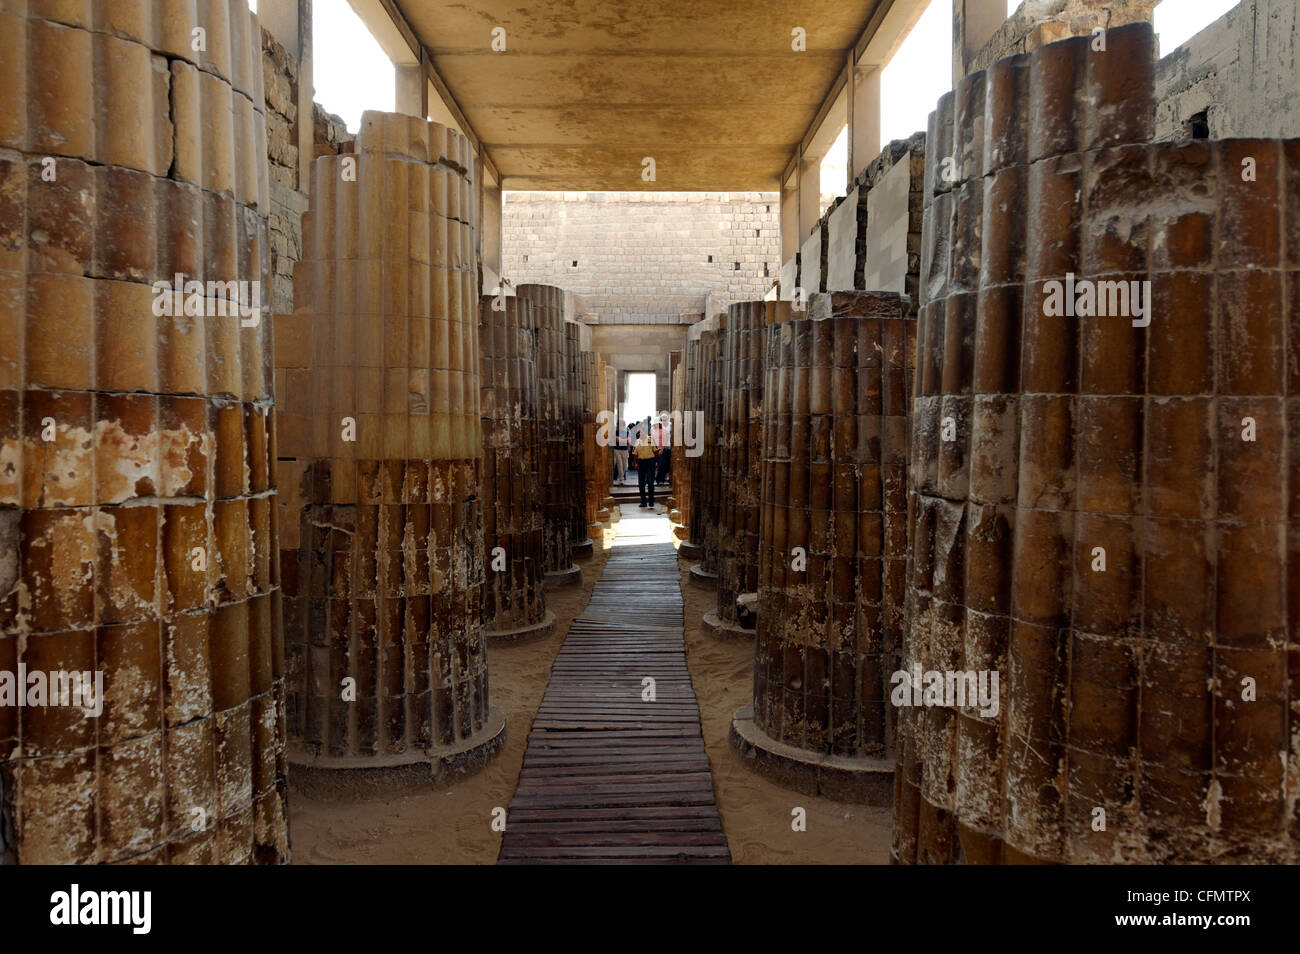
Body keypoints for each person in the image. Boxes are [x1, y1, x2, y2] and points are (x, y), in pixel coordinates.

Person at [633, 424, 659, 508]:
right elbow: (635, 454)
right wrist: (636, 463)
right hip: (641, 462)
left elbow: (655, 452)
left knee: (650, 482)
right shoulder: (637, 441)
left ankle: (651, 501)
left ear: (645, 432)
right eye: (639, 432)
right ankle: (643, 501)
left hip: (650, 461)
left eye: (642, 431)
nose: (641, 433)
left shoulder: (650, 440)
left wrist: (657, 462)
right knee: (641, 483)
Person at [613, 420, 628, 484]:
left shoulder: (627, 432)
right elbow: (617, 439)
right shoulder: (616, 432)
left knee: (625, 465)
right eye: (620, 425)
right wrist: (624, 440)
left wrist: (621, 440)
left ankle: (622, 476)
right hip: (617, 449)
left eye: (622, 425)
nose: (621, 426)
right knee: (619, 464)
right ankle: (621, 478)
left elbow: (628, 441)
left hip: (625, 449)